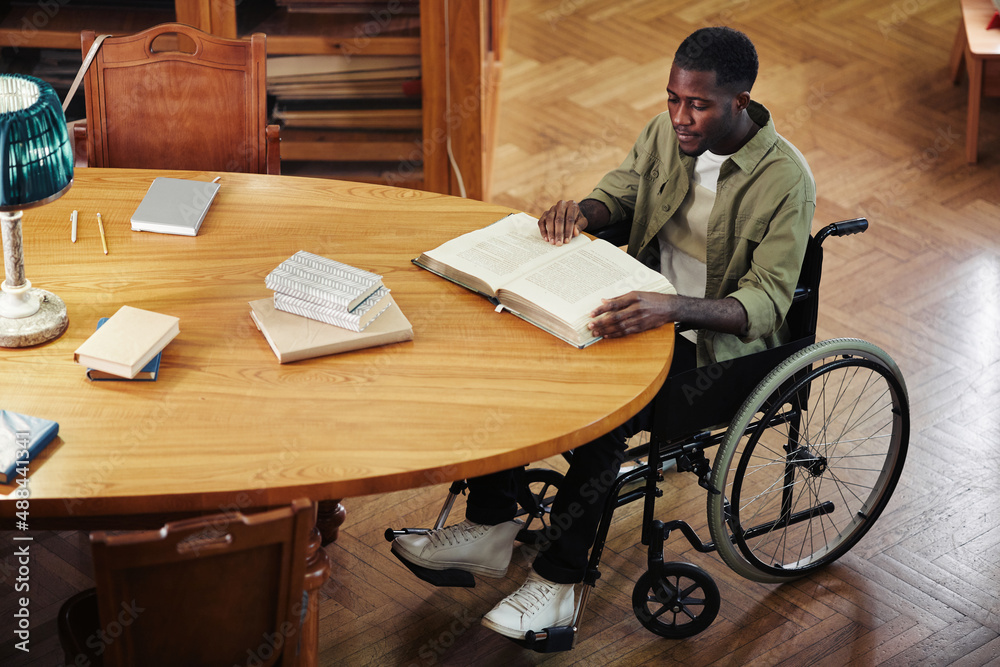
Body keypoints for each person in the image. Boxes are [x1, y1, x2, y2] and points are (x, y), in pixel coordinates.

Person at [392, 26, 815, 641]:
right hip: (635, 308)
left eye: (698, 105)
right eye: (673, 98)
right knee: (517, 354)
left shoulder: (785, 179)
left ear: (741, 103)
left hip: (714, 349)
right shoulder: (665, 134)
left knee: (604, 418)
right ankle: (488, 529)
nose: (680, 116)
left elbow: (767, 303)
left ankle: (560, 583)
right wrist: (580, 213)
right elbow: (622, 190)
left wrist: (669, 308)